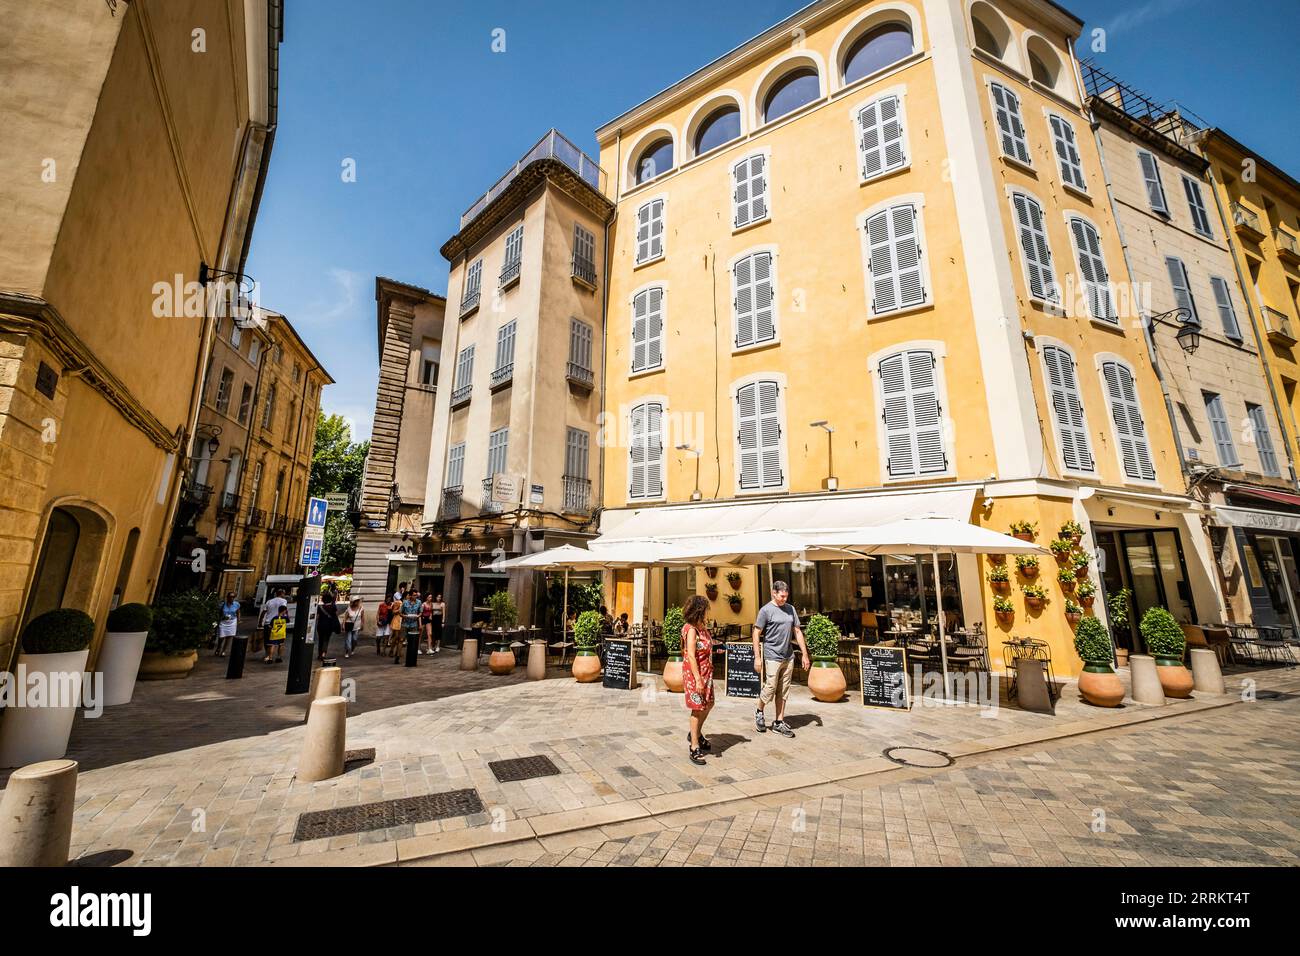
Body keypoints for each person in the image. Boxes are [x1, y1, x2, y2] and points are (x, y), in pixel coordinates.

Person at [752, 581, 809, 739]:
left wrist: (804, 654)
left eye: (786, 596)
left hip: (788, 655)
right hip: (772, 655)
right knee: (770, 686)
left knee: (783, 690)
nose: (784, 599)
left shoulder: (790, 609)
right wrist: (757, 657)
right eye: (781, 596)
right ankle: (759, 711)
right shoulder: (766, 610)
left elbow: (797, 631)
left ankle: (778, 721)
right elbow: (756, 633)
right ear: (773, 593)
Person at [681, 595, 714, 765]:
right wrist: (698, 680)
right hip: (695, 675)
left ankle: (697, 734)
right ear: (699, 611)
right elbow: (692, 656)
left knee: (709, 703)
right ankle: (694, 746)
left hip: (707, 673)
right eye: (705, 610)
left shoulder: (702, 628)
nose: (707, 613)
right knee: (697, 708)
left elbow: (706, 648)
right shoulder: (691, 629)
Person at [258, 588, 287, 655]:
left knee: (267, 640)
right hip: (278, 623)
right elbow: (283, 611)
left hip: (268, 623)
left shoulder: (269, 601)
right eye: (284, 594)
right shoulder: (284, 601)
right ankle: (278, 657)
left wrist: (260, 622)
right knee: (280, 642)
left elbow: (263, 612)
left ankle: (267, 654)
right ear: (282, 594)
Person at [398, 589, 422, 666]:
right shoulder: (405, 602)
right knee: (401, 639)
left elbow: (420, 612)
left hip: (414, 623)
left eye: (416, 595)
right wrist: (404, 616)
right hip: (405, 623)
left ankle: (412, 657)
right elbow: (400, 612)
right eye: (414, 595)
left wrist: (418, 616)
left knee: (413, 641)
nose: (415, 596)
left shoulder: (419, 602)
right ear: (410, 595)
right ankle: (398, 656)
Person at [316, 588, 341, 661]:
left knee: (320, 640)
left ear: (323, 599)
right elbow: (335, 615)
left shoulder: (320, 607)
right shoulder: (333, 606)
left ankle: (319, 654)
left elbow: (317, 617)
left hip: (320, 625)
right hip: (329, 626)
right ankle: (323, 654)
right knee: (326, 639)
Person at [216, 591, 240, 657]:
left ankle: (224, 651)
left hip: (232, 621)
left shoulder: (236, 604)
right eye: (230, 597)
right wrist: (220, 618)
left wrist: (238, 620)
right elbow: (218, 613)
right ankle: (219, 647)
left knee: (229, 636)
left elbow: (238, 612)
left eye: (233, 597)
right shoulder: (222, 604)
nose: (231, 598)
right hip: (223, 622)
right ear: (227, 597)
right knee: (221, 637)